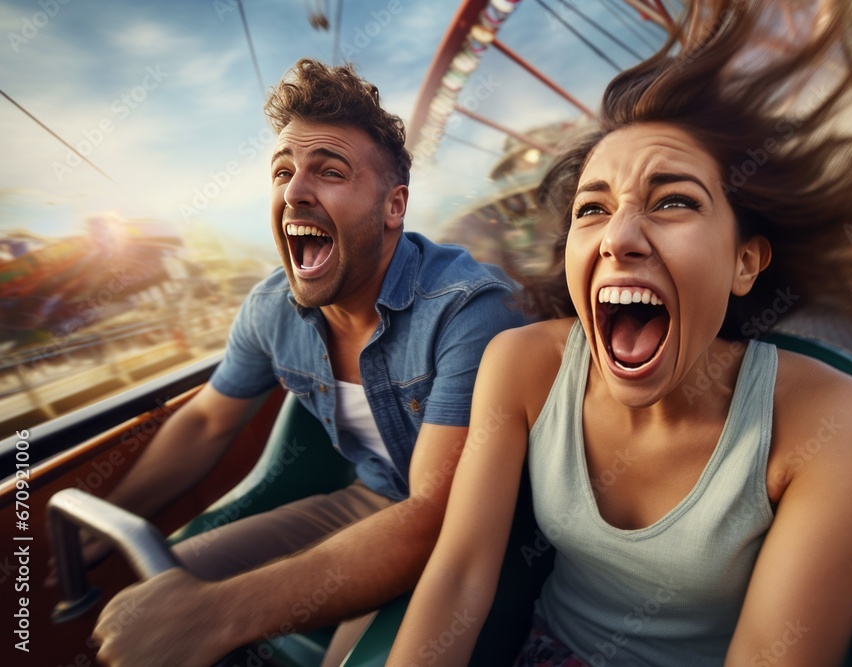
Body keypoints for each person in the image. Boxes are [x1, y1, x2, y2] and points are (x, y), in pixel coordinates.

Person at [386, 1, 852, 665]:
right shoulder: (520, 365)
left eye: (673, 201)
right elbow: (458, 576)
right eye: (592, 209)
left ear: (745, 260)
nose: (619, 239)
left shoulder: (838, 424)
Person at [81, 59, 526, 666]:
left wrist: (215, 616)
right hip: (366, 499)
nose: (294, 191)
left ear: (394, 207)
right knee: (158, 589)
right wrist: (104, 523)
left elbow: (436, 516)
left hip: (472, 529)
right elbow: (207, 422)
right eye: (283, 172)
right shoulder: (271, 309)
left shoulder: (468, 311)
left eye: (330, 171)